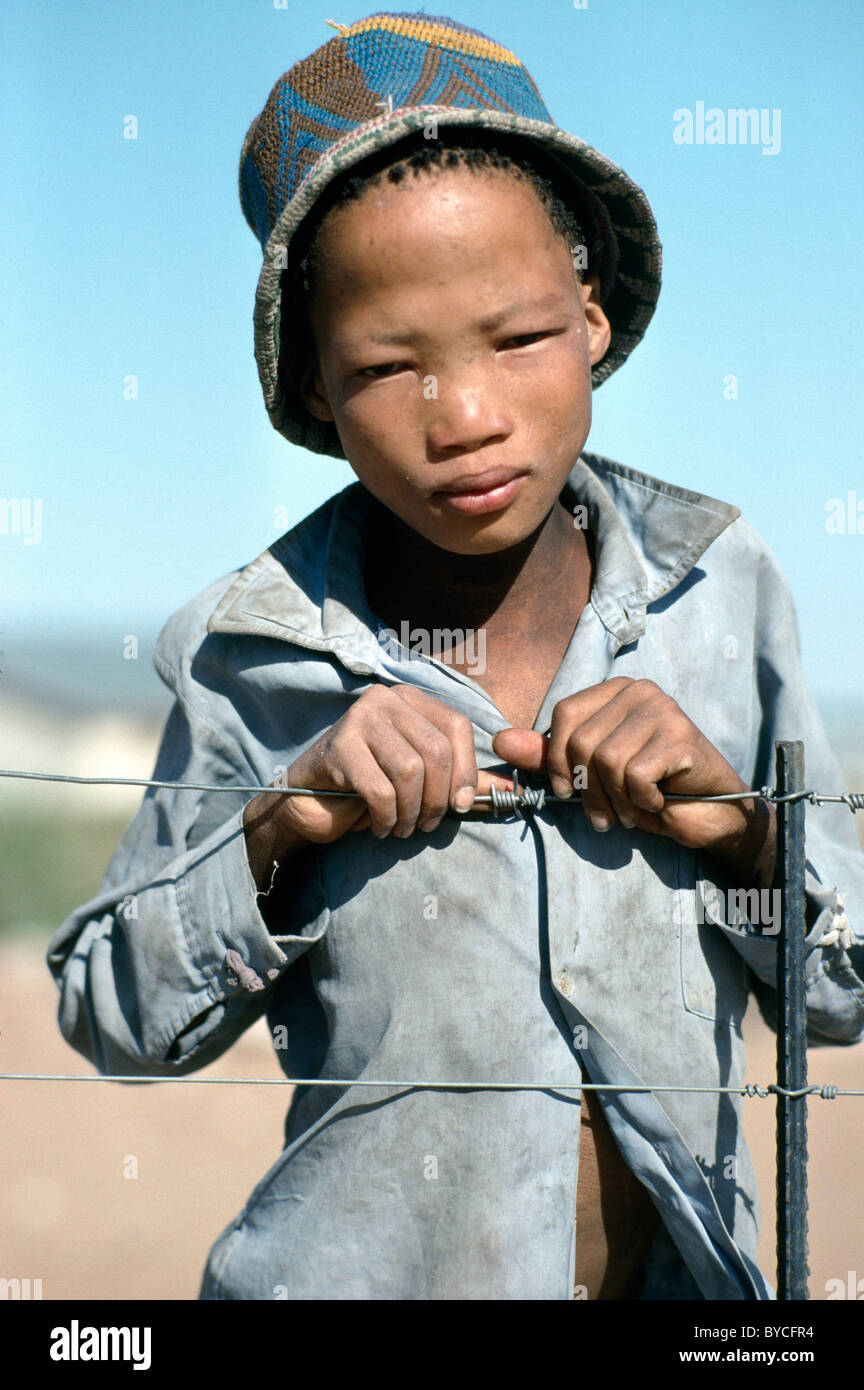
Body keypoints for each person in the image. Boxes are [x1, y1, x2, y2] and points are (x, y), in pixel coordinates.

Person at [47, 11, 864, 1301]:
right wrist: (279, 829)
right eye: (386, 365)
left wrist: (751, 836)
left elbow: (842, 996)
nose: (468, 418)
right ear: (313, 390)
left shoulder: (725, 583)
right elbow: (115, 1019)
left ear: (591, 317)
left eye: (518, 338)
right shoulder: (250, 650)